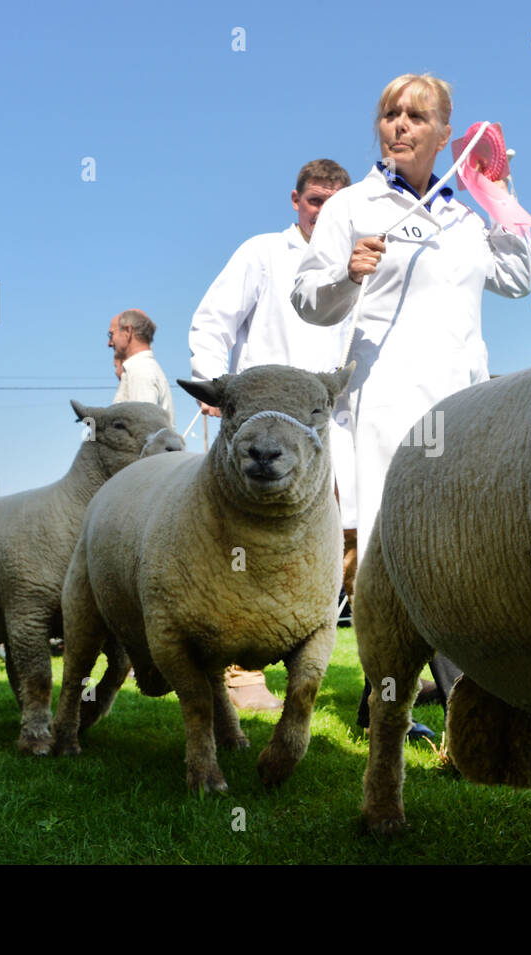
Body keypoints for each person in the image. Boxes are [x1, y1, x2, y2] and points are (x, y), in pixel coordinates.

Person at [292, 73, 531, 730]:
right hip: (385, 405)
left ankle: (443, 705)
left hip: (462, 406)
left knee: (459, 549)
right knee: (389, 551)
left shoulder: (462, 213)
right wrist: (346, 272)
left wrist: (500, 188)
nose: (400, 124)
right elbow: (307, 300)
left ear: (443, 132)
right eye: (389, 113)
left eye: (416, 114)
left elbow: (517, 278)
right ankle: (398, 702)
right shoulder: (352, 207)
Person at [188, 158, 356, 711]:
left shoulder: (359, 261)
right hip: (259, 424)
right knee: (246, 540)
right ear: (295, 200)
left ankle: (317, 658)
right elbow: (214, 318)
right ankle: (242, 670)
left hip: (326, 429)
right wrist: (219, 389)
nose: (324, 211)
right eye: (314, 201)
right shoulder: (262, 253)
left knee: (336, 541)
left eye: (335, 203)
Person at [110, 308, 175, 427]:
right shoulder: (140, 369)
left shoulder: (140, 370)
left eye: (111, 334)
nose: (109, 343)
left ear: (127, 331)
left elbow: (142, 430)